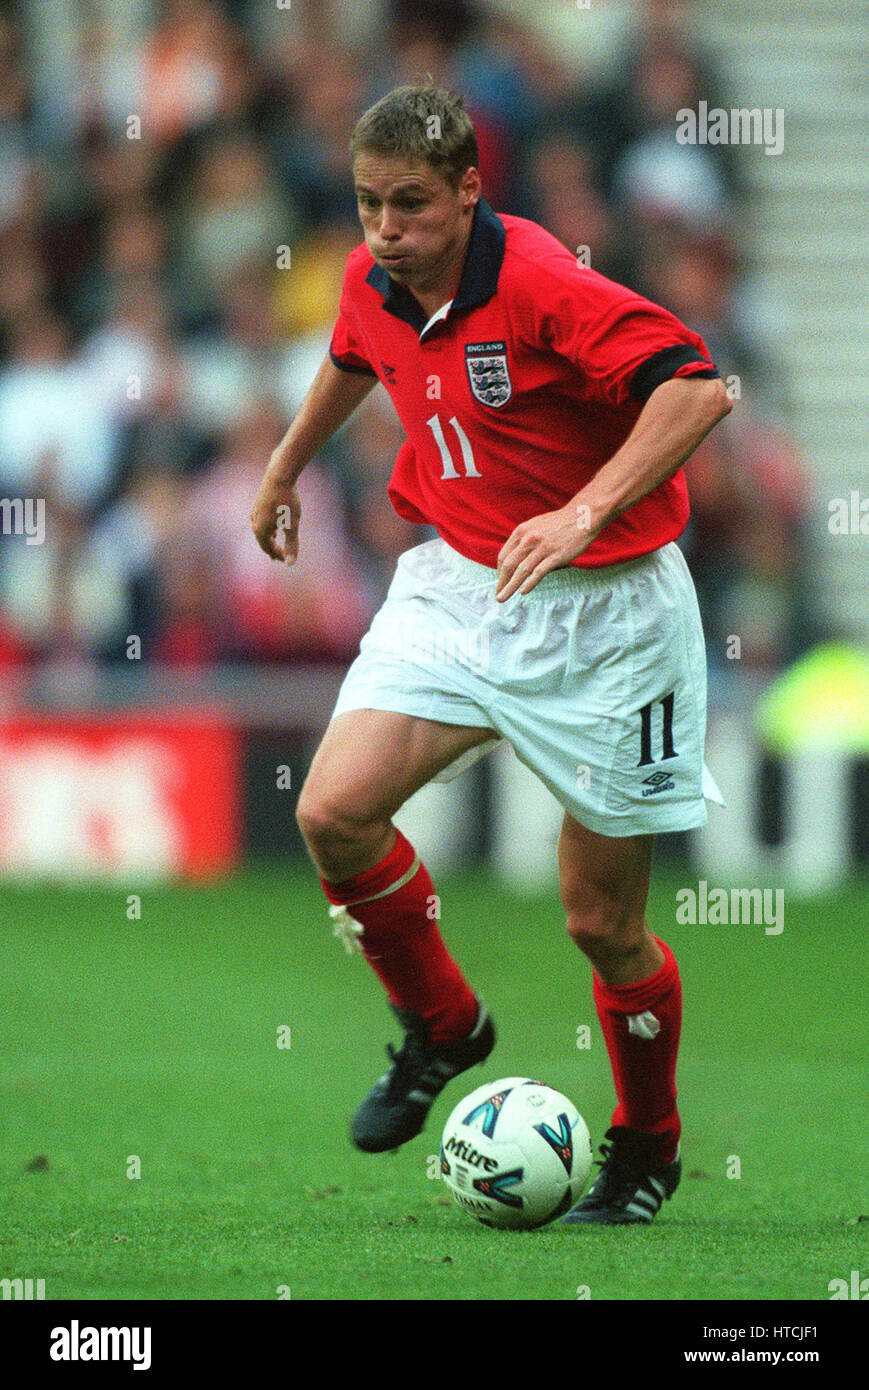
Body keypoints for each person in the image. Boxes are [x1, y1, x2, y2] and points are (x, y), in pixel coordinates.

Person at [251, 85, 732, 1226]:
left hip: (609, 614)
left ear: (470, 188)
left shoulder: (540, 282)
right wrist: (282, 468)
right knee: (332, 812)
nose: (382, 228)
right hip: (463, 584)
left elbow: (698, 388)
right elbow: (351, 354)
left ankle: (648, 1145)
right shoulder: (376, 278)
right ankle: (442, 1022)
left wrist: (580, 512)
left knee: (598, 925)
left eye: (408, 204)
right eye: (367, 203)